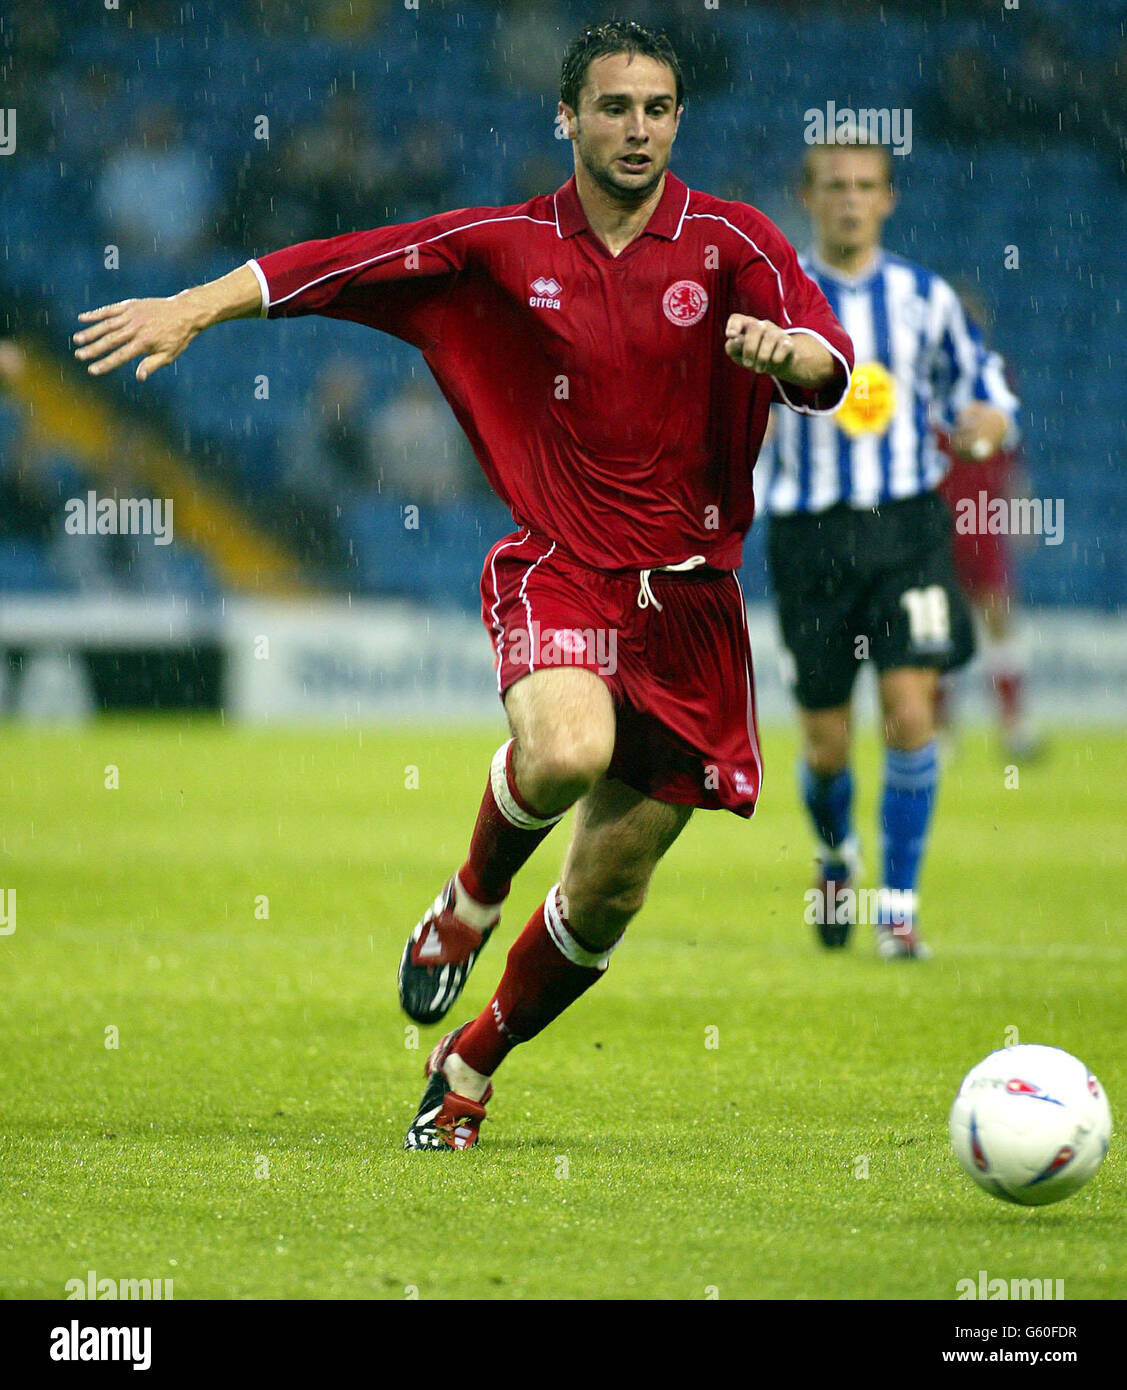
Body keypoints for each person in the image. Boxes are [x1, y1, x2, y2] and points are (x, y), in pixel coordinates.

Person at [73, 21, 852, 1151]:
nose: (637, 128)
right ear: (567, 117)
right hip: (561, 567)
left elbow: (827, 357)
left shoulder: (734, 240)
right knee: (568, 749)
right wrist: (197, 304)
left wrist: (794, 359)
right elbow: (335, 263)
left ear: (677, 119)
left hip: (691, 608)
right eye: (614, 107)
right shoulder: (499, 244)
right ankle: (469, 900)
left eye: (657, 109)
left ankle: (471, 1059)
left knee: (605, 897)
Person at [756, 132, 1017, 960]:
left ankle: (896, 907)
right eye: (834, 184)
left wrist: (987, 422)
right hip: (810, 536)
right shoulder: (775, 298)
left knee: (911, 715)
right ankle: (836, 855)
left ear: (887, 198)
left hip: (905, 528)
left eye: (866, 185)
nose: (850, 199)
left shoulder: (921, 298)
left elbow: (982, 391)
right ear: (808, 194)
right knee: (826, 744)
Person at [934, 294, 1042, 762]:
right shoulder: (926, 385)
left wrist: (1021, 510)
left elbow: (1012, 457)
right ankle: (940, 732)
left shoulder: (996, 384)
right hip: (936, 521)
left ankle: (1013, 727)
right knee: (940, 628)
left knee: (998, 618)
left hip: (982, 518)